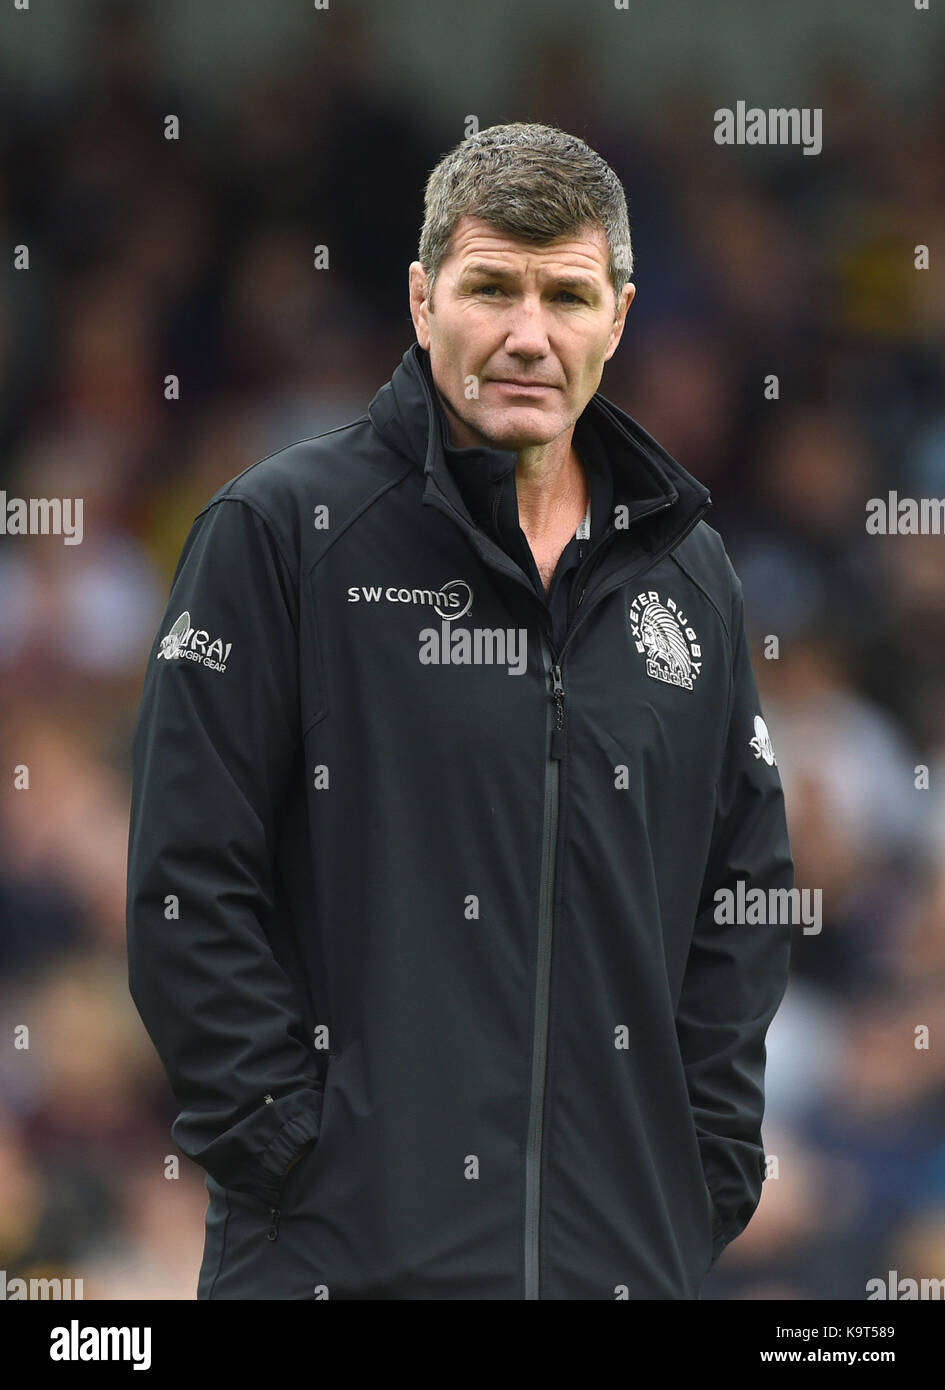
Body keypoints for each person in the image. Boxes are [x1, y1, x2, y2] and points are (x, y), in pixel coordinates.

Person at [126, 122, 793, 1300]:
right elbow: (187, 877)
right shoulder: (283, 533)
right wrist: (288, 1150)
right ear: (425, 300)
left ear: (619, 318)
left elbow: (743, 897)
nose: (528, 334)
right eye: (492, 287)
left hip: (619, 1264)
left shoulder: (693, 575)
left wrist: (706, 1168)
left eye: (566, 296)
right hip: (339, 1259)